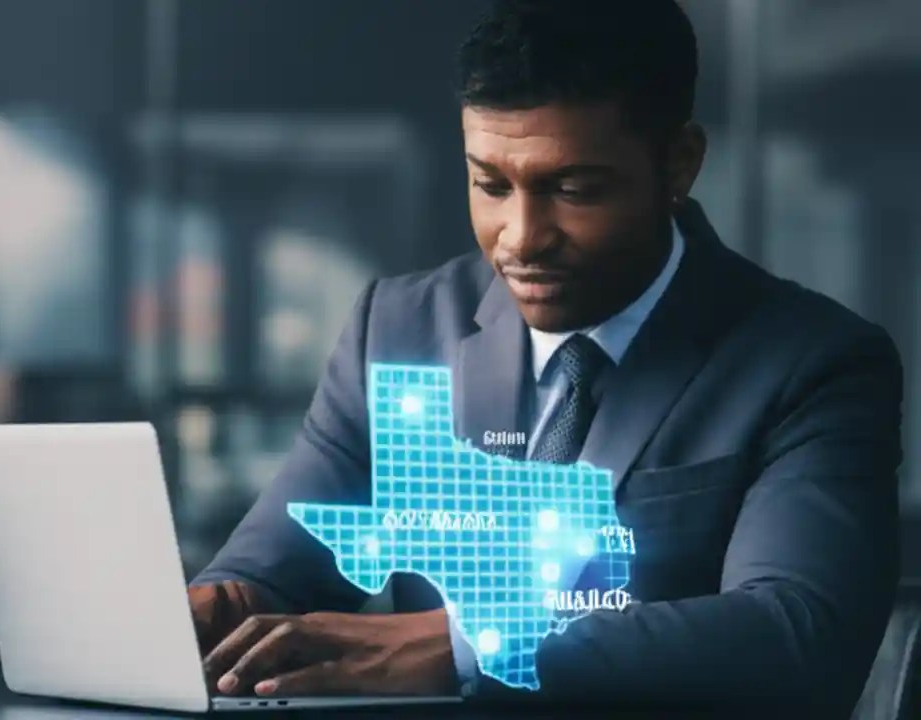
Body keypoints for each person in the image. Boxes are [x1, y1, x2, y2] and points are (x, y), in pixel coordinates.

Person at [188, 0, 903, 714]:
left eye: (573, 189)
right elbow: (274, 564)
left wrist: (467, 648)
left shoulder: (812, 362)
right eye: (490, 184)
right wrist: (211, 612)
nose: (521, 237)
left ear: (679, 162)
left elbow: (797, 634)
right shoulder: (399, 328)